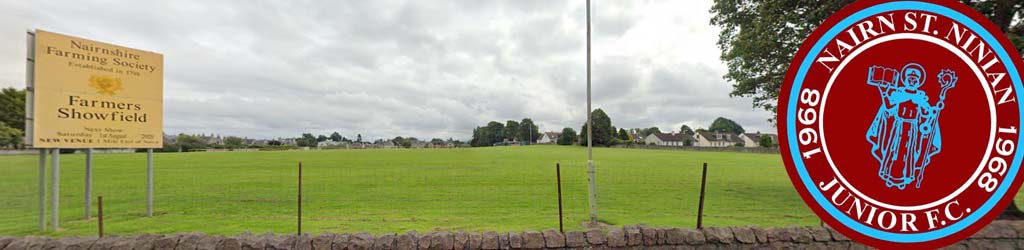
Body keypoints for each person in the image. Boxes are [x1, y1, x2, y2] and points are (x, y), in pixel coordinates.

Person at [865, 63, 957, 189]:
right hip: (897, 128)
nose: (912, 81)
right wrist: (883, 92)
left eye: (915, 79)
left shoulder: (921, 97)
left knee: (907, 153)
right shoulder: (898, 93)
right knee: (893, 151)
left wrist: (934, 110)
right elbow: (888, 107)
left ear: (919, 82)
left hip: (912, 130)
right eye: (909, 78)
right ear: (904, 79)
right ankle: (889, 175)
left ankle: (904, 178)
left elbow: (926, 113)